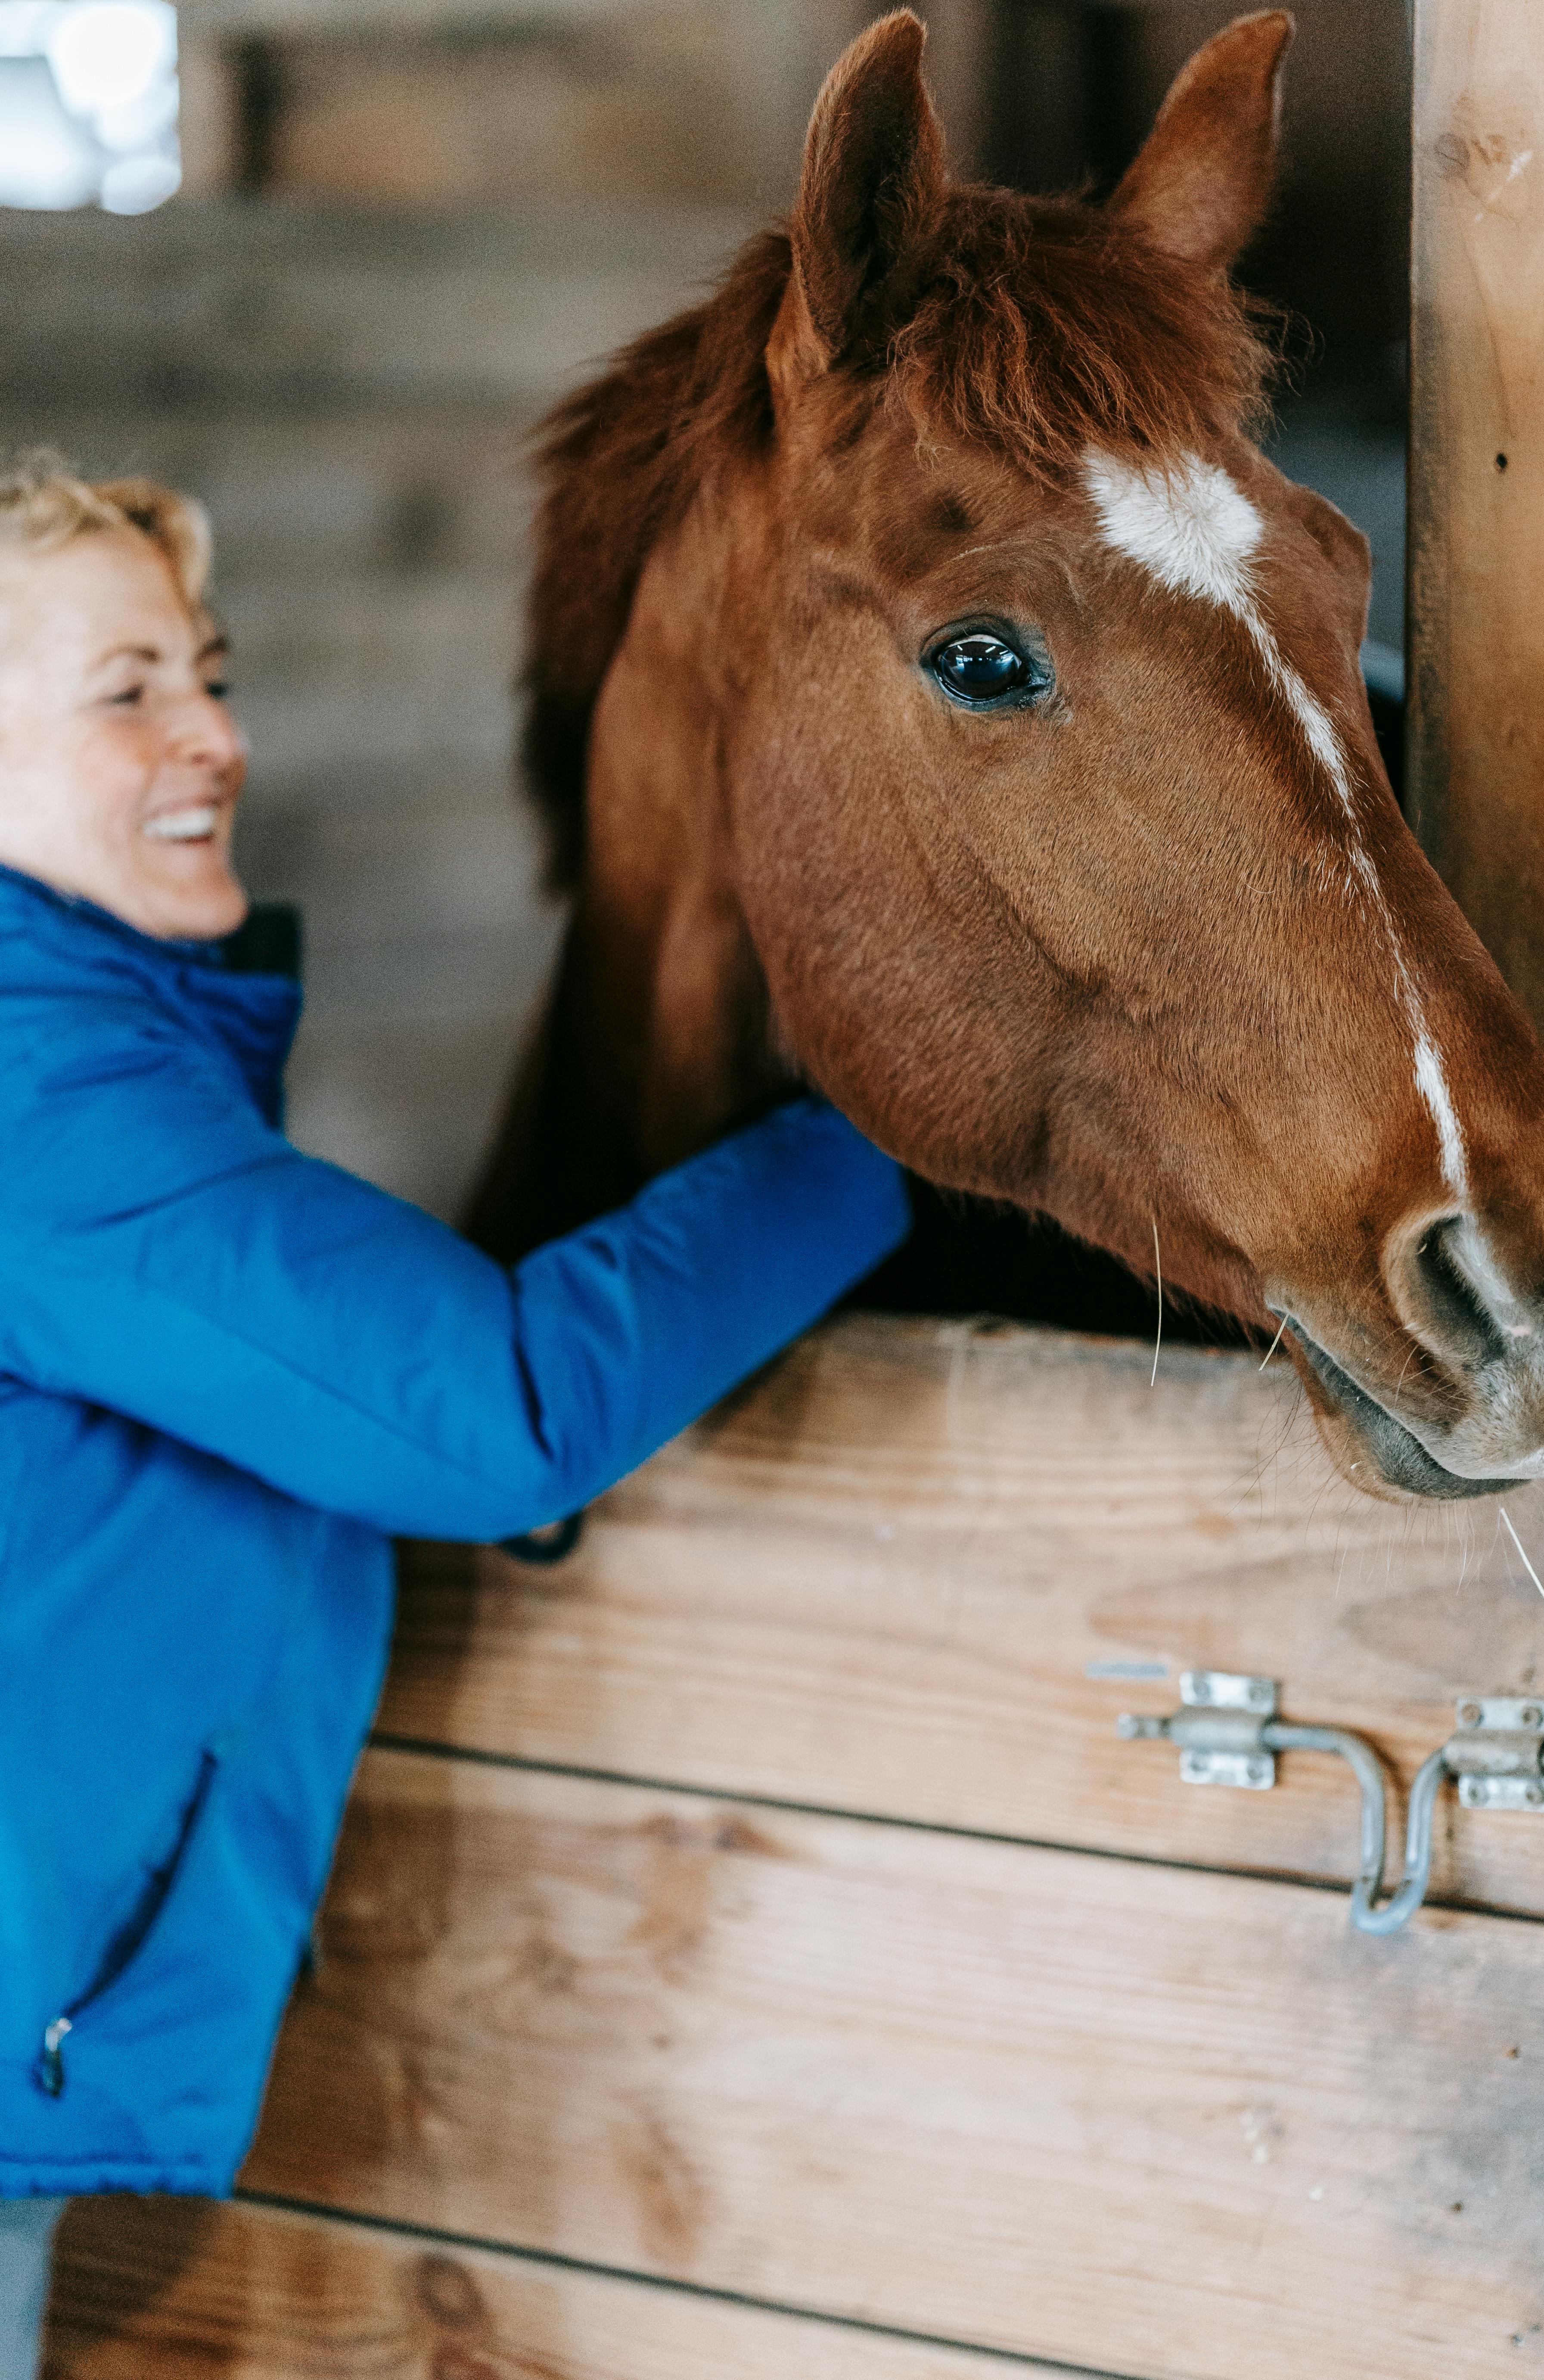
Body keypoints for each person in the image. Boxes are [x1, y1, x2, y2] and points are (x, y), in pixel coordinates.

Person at [0, 457, 909, 2375]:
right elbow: (493, 1410)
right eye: (128, 690)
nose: (217, 735)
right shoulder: (45, 1104)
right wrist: (884, 1130)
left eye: (210, 673)